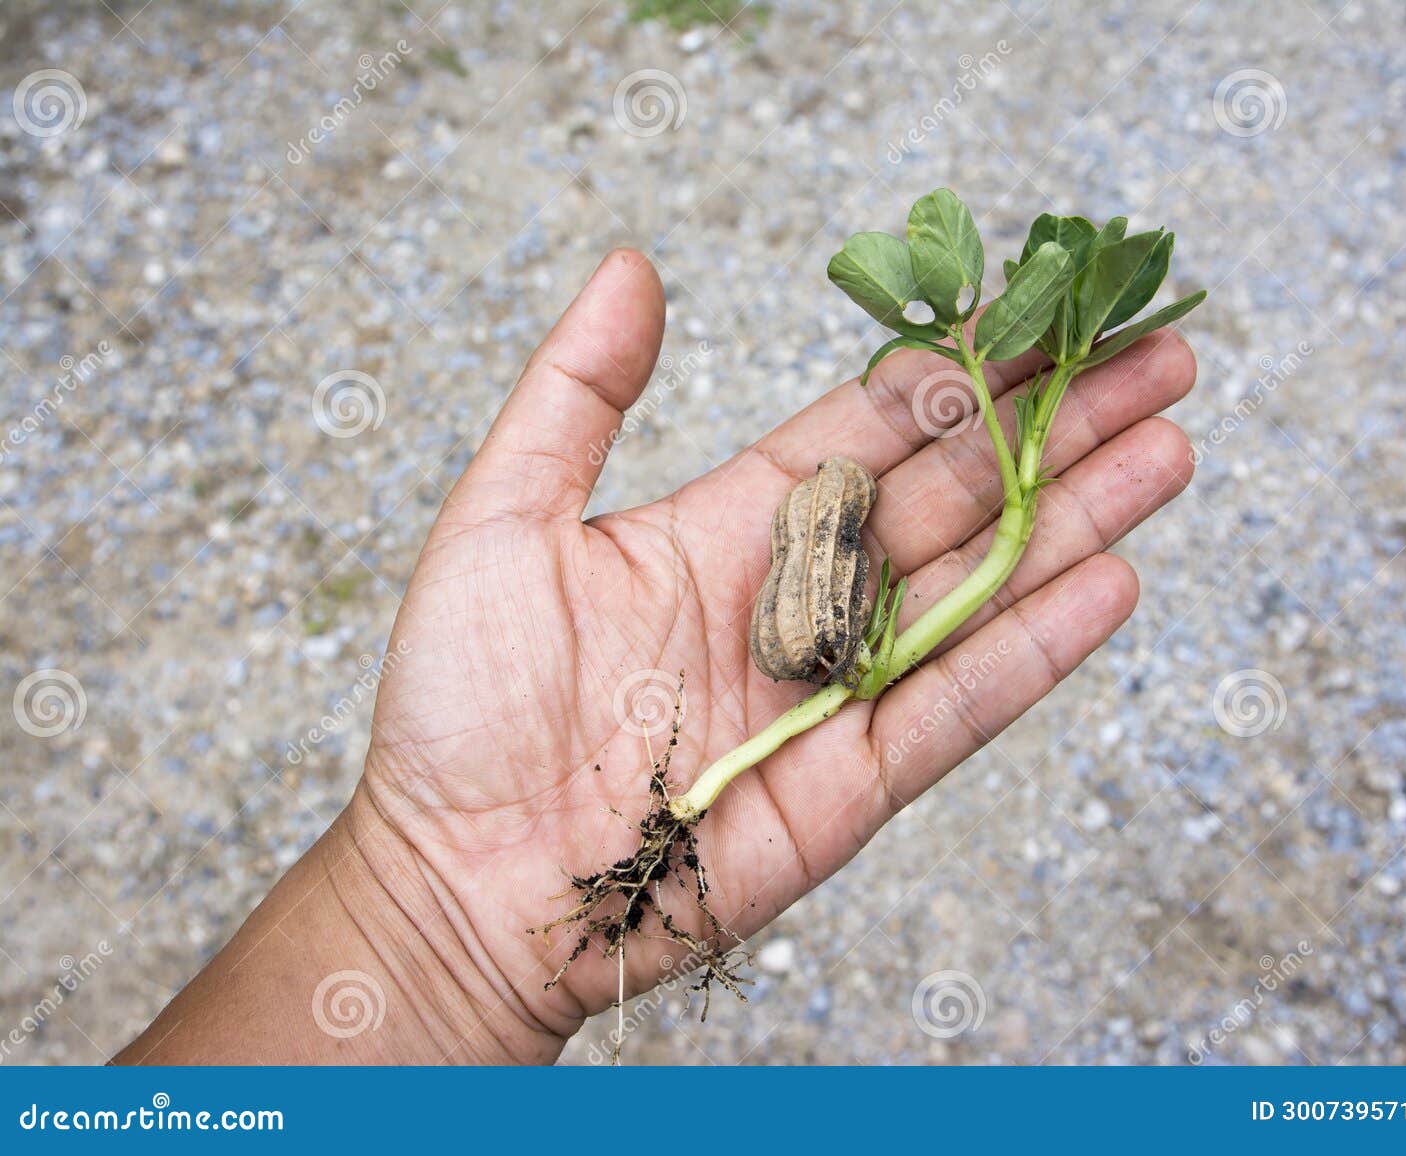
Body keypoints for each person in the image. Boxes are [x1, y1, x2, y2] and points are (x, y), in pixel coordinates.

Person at [116, 249, 1197, 1064]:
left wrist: (423, 939)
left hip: (811, 650)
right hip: (800, 655)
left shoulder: (835, 550)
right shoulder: (822, 549)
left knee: (954, 566)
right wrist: (421, 919)